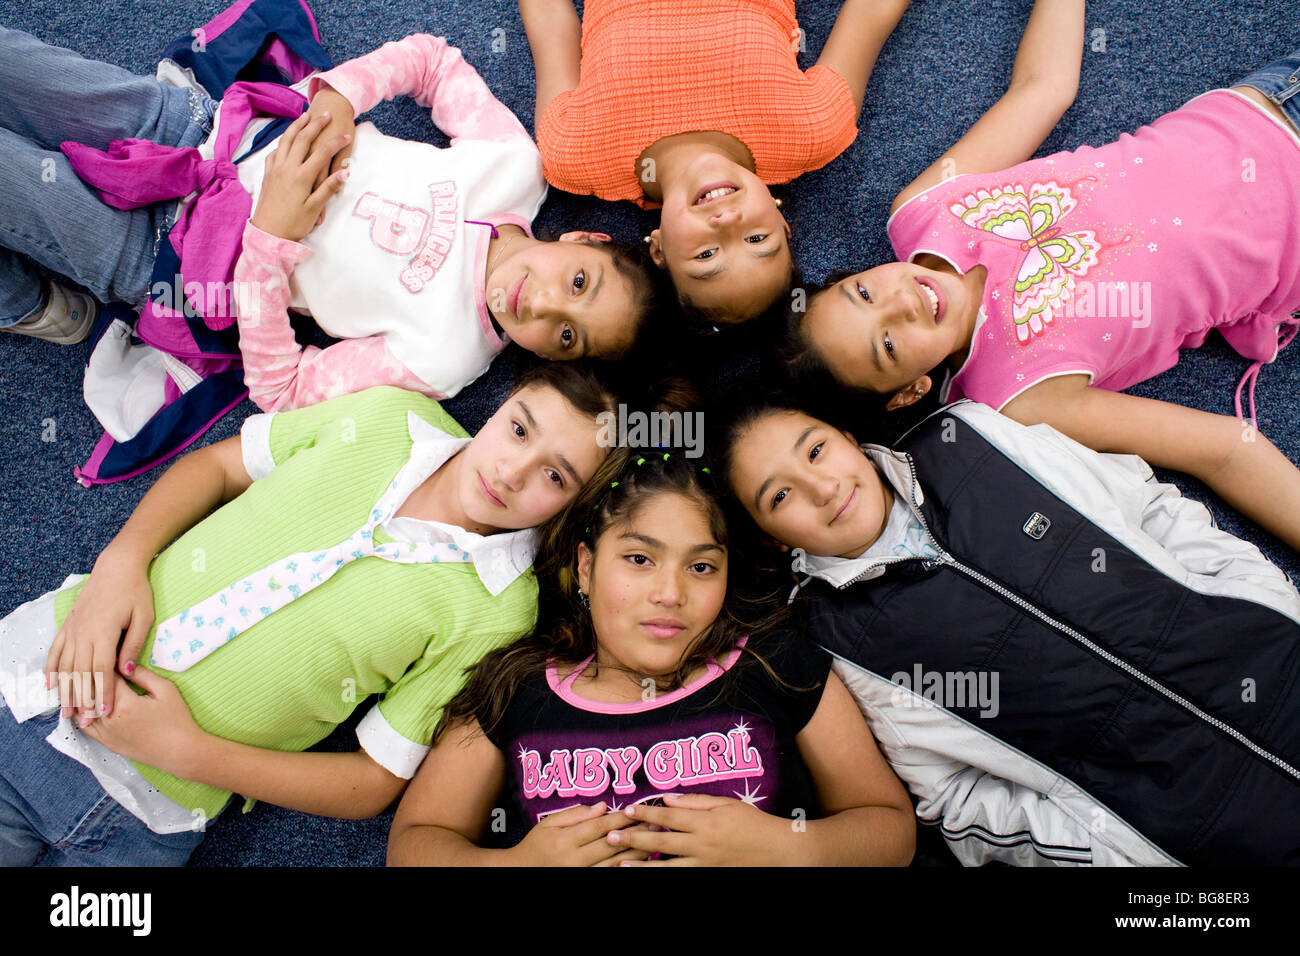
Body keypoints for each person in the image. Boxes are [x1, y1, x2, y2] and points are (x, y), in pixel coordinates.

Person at [0, 363, 620, 866]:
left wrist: (188, 752)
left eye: (554, 476)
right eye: (519, 429)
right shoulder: (385, 415)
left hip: (144, 812)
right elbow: (219, 468)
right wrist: (121, 563)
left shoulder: (498, 613)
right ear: (505, 401)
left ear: (571, 509)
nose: (512, 473)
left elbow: (375, 780)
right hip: (40, 677)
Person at [786, 0, 1300, 554]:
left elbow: (1042, 88)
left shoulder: (923, 211)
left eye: (862, 292)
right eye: (886, 344)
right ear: (909, 391)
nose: (899, 303)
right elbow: (1223, 449)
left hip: (1265, 105)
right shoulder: (1018, 400)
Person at [718, 394, 1300, 866]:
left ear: (846, 435)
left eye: (816, 450)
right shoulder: (833, 641)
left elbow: (1148, 507)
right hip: (1204, 838)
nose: (822, 488)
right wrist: (1111, 847)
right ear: (773, 537)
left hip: (1278, 657)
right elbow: (954, 798)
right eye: (781, 494)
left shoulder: (966, 437)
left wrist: (1261, 596)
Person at [0, 22, 659, 406]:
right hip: (193, 130)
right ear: (584, 237)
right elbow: (431, 60)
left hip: (161, 252)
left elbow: (280, 391)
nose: (545, 306)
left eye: (566, 336)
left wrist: (271, 239)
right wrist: (340, 99)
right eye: (578, 282)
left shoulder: (445, 358)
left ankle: (25, 303)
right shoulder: (513, 168)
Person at [386, 451, 915, 865]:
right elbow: (416, 842)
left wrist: (790, 847)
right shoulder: (516, 687)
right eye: (639, 559)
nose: (670, 593)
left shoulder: (777, 663)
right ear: (587, 567)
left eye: (702, 567)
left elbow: (889, 828)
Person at [519, 0, 912, 326]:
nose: (727, 223)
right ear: (781, 220)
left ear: (658, 249)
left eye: (705, 255)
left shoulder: (575, 153)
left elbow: (550, 20)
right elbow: (869, 14)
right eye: (758, 239)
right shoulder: (812, 129)